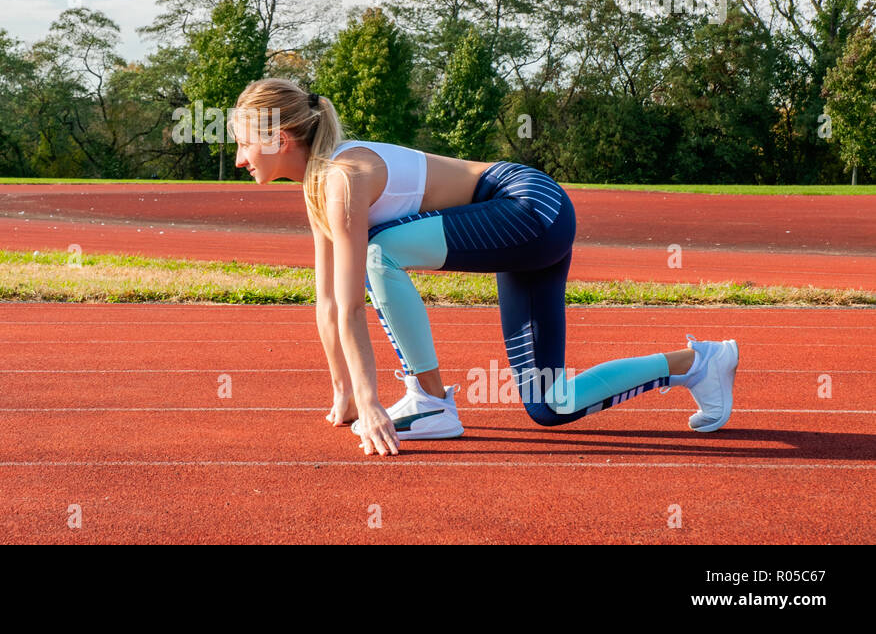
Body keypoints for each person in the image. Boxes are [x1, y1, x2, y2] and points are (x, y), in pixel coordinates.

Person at [230, 78, 739, 457]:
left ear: (280, 138)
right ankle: (698, 363)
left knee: (378, 252)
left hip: (528, 204)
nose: (238, 158)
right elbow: (326, 303)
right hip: (520, 232)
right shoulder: (319, 188)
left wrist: (372, 401)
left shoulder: (343, 177)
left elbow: (351, 308)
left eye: (243, 143)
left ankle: (429, 400)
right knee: (550, 405)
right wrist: (345, 394)